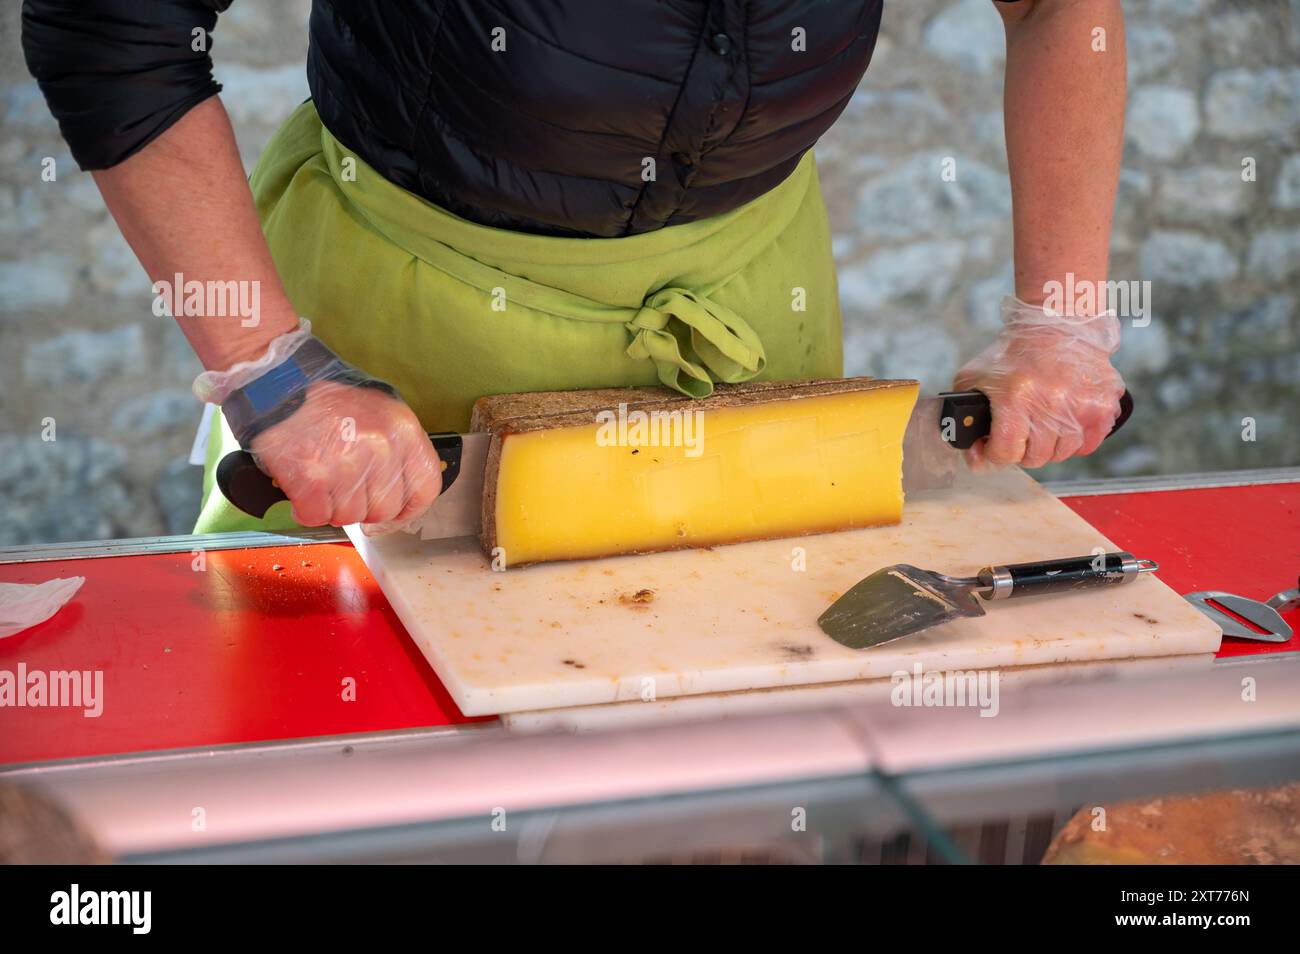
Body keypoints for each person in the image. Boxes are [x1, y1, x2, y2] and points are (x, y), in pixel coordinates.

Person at [22, 0, 1128, 533]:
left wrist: (1062, 321)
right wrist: (274, 375)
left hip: (749, 309)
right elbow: (114, 30)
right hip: (401, 335)